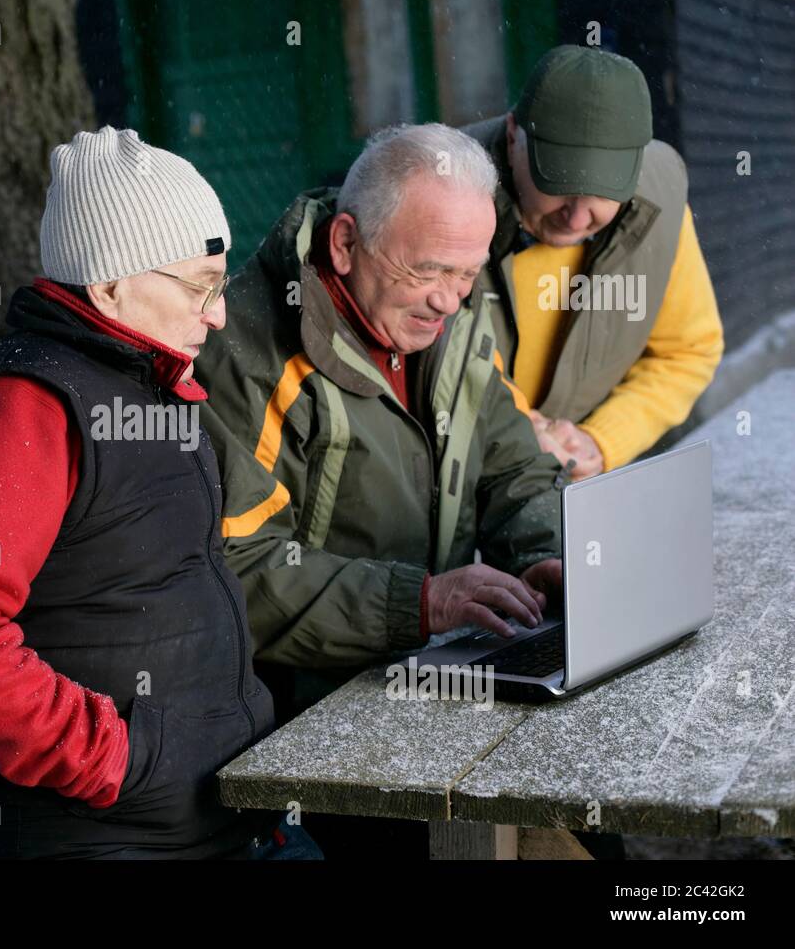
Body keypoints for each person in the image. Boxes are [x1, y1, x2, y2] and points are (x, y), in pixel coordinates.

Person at [0, 125, 304, 859]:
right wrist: (113, 760)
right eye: (200, 286)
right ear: (111, 283)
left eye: (221, 282)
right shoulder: (18, 410)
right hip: (103, 835)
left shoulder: (149, 386)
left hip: (215, 815)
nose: (220, 313)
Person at [193, 123, 567, 856]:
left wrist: (549, 554)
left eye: (468, 275)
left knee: (583, 801)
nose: (451, 301)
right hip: (312, 721)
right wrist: (419, 603)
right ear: (343, 244)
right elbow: (238, 571)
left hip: (442, 666)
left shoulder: (451, 323)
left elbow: (516, 467)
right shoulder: (243, 353)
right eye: (430, 272)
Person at [462, 45, 724, 479]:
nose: (578, 217)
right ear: (513, 137)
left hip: (578, 480)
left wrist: (600, 440)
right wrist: (525, 428)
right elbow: (422, 351)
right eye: (557, 185)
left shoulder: (661, 200)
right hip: (451, 481)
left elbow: (687, 352)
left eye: (604, 194)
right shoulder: (440, 191)